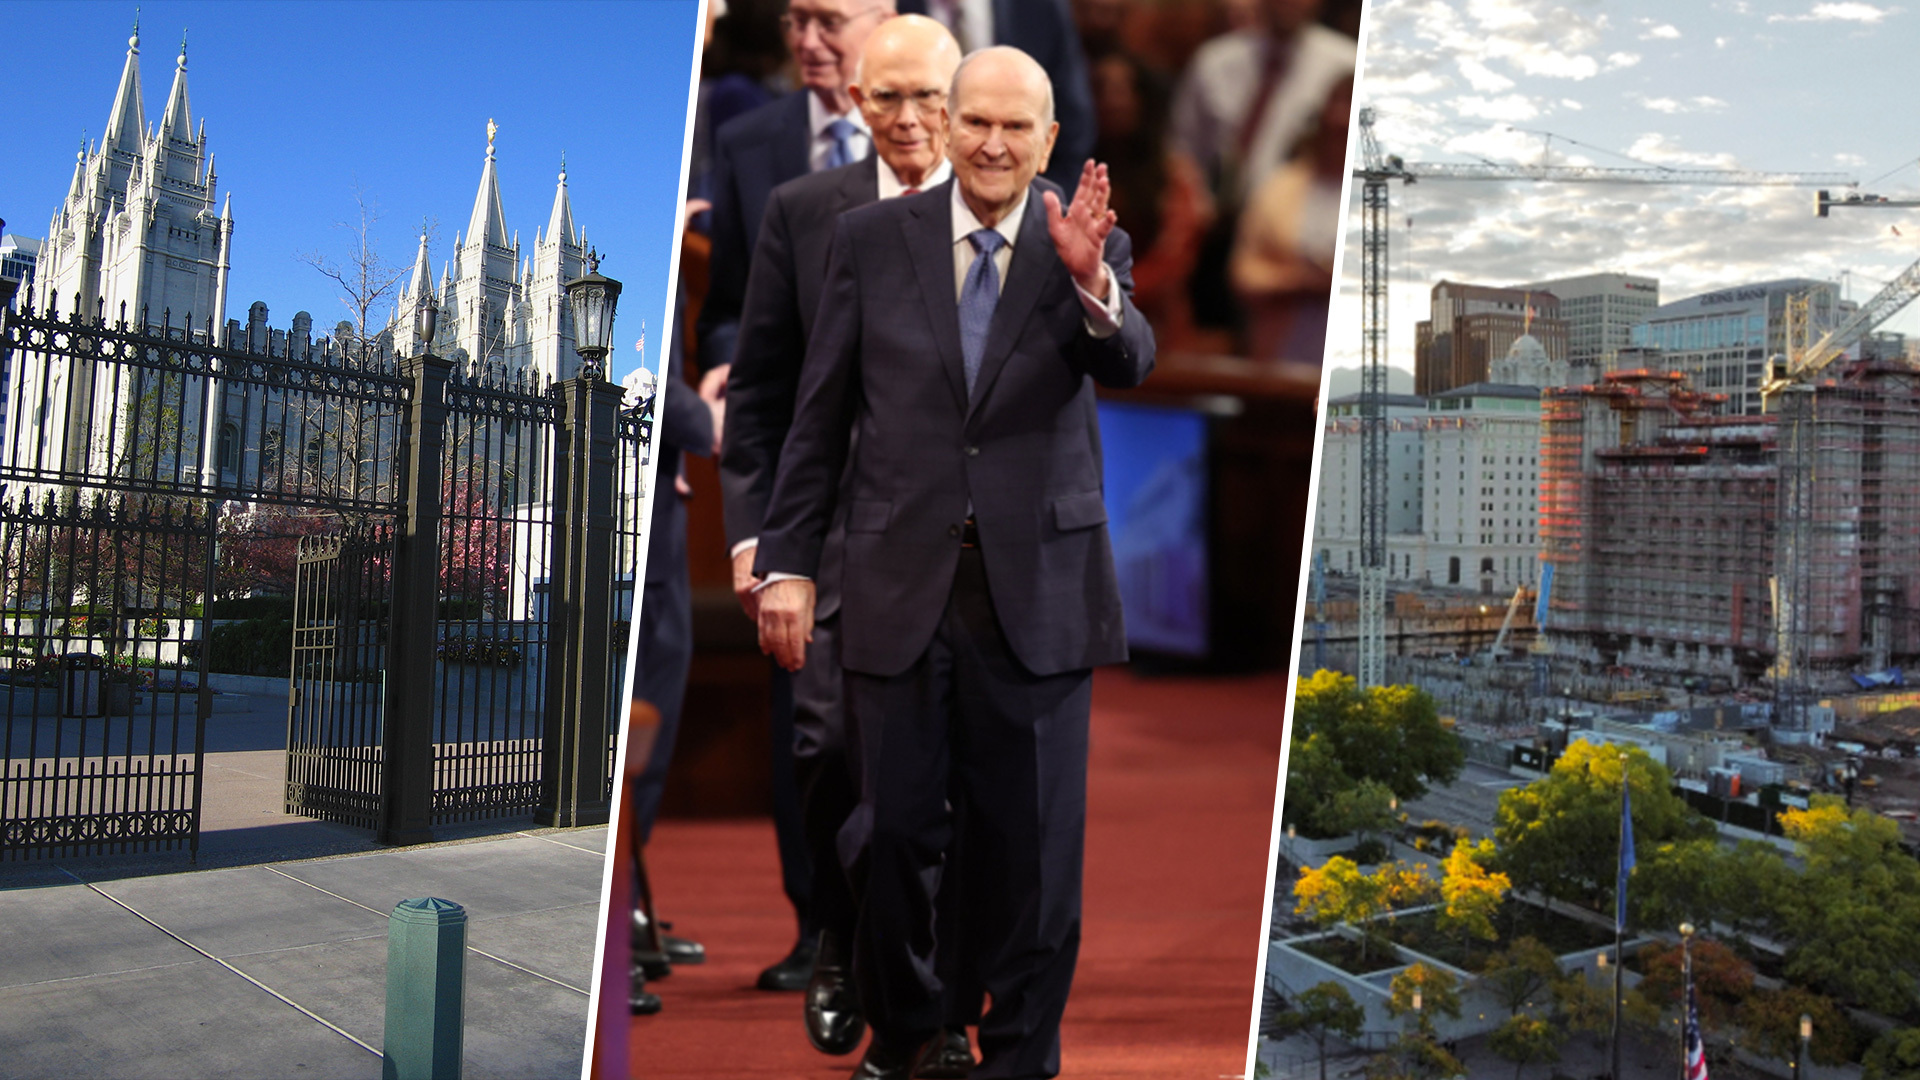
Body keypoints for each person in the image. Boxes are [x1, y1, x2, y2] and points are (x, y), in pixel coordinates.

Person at [753, 46, 1156, 1080]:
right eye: (976, 119)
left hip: (1041, 593)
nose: (993, 143)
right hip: (895, 585)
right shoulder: (869, 240)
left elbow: (1132, 358)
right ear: (946, 121)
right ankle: (912, 1032)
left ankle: (1020, 1057)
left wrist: (1092, 281)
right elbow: (818, 417)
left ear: (1048, 141)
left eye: (1017, 127)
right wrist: (787, 561)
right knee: (890, 838)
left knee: (1031, 855)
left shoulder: (1084, 240)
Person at [722, 16, 978, 1075]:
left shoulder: (1001, 209)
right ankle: (839, 926)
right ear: (854, 105)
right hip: (829, 541)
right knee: (829, 755)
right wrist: (763, 545)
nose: (910, 120)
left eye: (931, 99)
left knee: (937, 790)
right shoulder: (803, 210)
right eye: (888, 99)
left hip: (964, 553)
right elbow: (763, 393)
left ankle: (922, 1011)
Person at [700, 0, 898, 993]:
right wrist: (726, 365)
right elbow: (736, 306)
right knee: (811, 725)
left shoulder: (946, 131)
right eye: (795, 18)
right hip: (803, 474)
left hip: (910, 483)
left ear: (885, 17)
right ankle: (819, 925)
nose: (810, 40)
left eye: (831, 18)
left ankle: (897, 945)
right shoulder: (752, 144)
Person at [626, 289, 723, 1013]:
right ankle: (624, 924)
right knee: (643, 739)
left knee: (651, 740)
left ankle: (632, 908)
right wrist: (700, 417)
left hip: (668, 522)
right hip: (656, 548)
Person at [894, 0, 1095, 190]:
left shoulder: (1040, 7)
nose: (992, 149)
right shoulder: (887, 10)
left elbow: (1072, 133)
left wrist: (1029, 208)